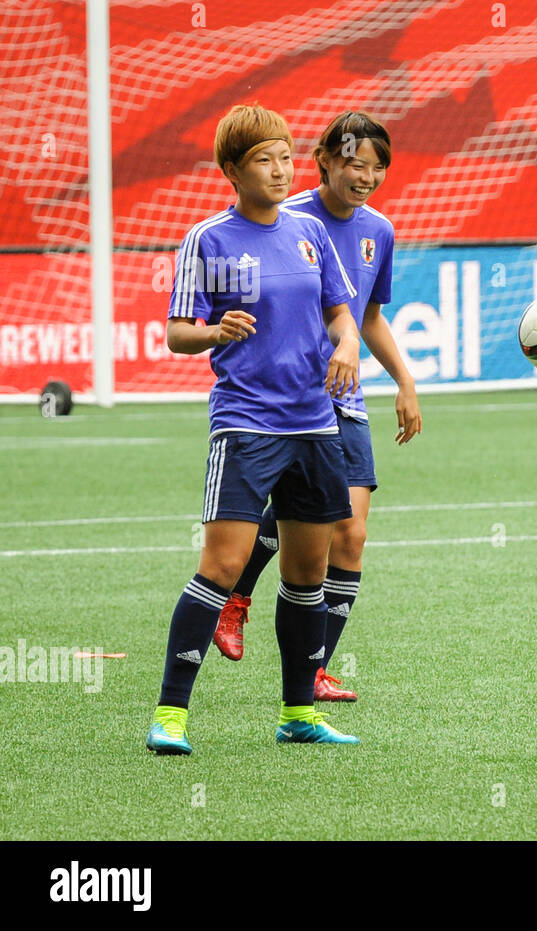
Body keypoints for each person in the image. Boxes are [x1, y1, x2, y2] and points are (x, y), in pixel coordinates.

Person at [146, 104, 364, 754]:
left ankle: (298, 710)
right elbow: (177, 331)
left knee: (307, 573)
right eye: (264, 159)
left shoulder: (308, 232)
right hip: (245, 424)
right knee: (224, 563)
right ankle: (171, 714)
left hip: (315, 424)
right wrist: (216, 331)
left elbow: (340, 311)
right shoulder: (207, 240)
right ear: (232, 170)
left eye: (286, 156)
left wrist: (346, 345)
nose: (279, 169)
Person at [211, 111, 421, 704]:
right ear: (324, 159)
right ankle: (236, 594)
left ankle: (316, 671)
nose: (366, 176)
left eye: (378, 167)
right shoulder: (290, 218)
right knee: (309, 526)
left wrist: (404, 381)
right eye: (355, 163)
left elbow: (366, 318)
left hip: (346, 398)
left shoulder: (378, 229)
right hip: (291, 402)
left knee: (349, 536)